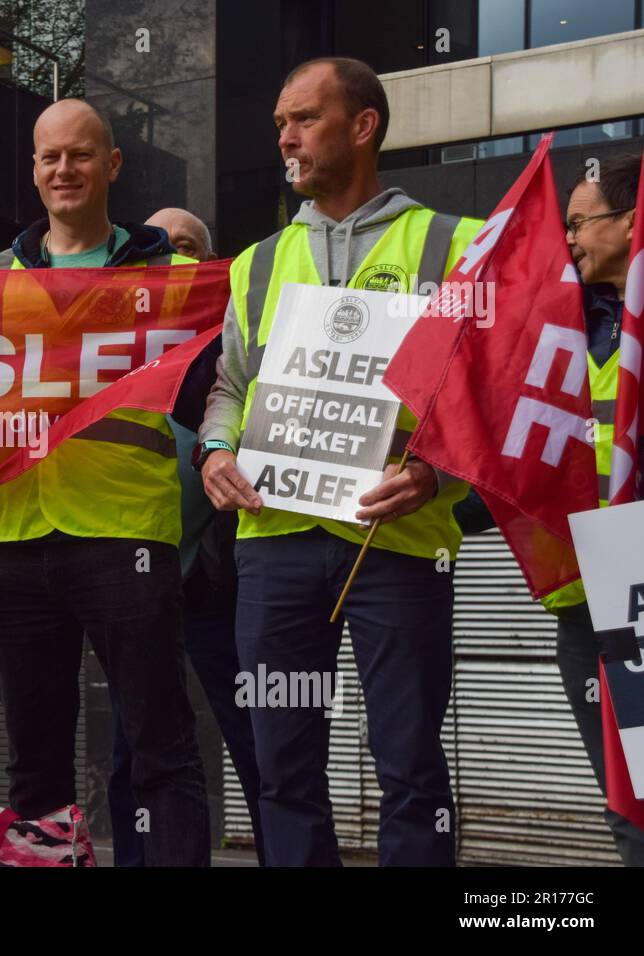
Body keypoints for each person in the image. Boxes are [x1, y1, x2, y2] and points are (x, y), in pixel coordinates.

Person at [198, 57, 482, 866]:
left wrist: (438, 475)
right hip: (272, 544)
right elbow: (229, 386)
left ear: (364, 126)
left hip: (396, 543)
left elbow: (480, 399)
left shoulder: (449, 243)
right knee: (282, 770)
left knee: (411, 769)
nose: (285, 137)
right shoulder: (256, 263)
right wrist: (216, 450)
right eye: (280, 122)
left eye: (304, 119)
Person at [0, 98, 212, 867]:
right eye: (49, 158)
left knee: (160, 751)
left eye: (80, 155)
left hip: (127, 537)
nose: (64, 170)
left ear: (111, 166)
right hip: (13, 538)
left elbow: (223, 390)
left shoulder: (176, 275)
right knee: (32, 767)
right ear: (33, 172)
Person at [107, 210, 267, 866]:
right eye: (159, 250)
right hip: (135, 585)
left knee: (257, 743)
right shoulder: (110, 349)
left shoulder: (236, 353)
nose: (172, 263)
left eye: (186, 250)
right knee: (131, 752)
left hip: (215, 584)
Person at [547, 153, 643, 865]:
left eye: (580, 221)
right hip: (585, 596)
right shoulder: (575, 330)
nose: (568, 237)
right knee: (624, 801)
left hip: (634, 586)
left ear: (632, 219)